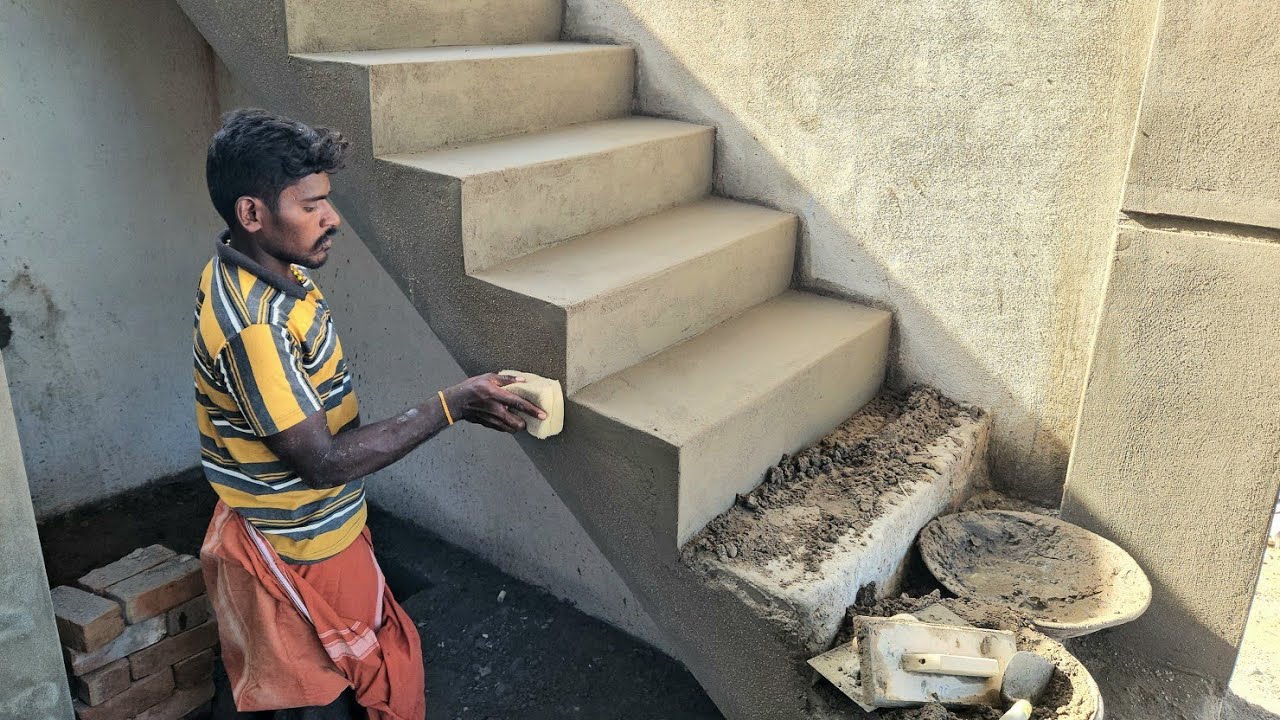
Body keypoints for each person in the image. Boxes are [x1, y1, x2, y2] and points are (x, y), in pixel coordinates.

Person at [193, 108, 546, 720]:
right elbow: (322, 462)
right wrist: (452, 404)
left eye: (328, 200)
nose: (332, 218)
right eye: (311, 206)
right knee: (339, 687)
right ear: (252, 214)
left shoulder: (259, 270)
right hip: (303, 541)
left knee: (332, 669)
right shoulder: (256, 330)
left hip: (292, 521)